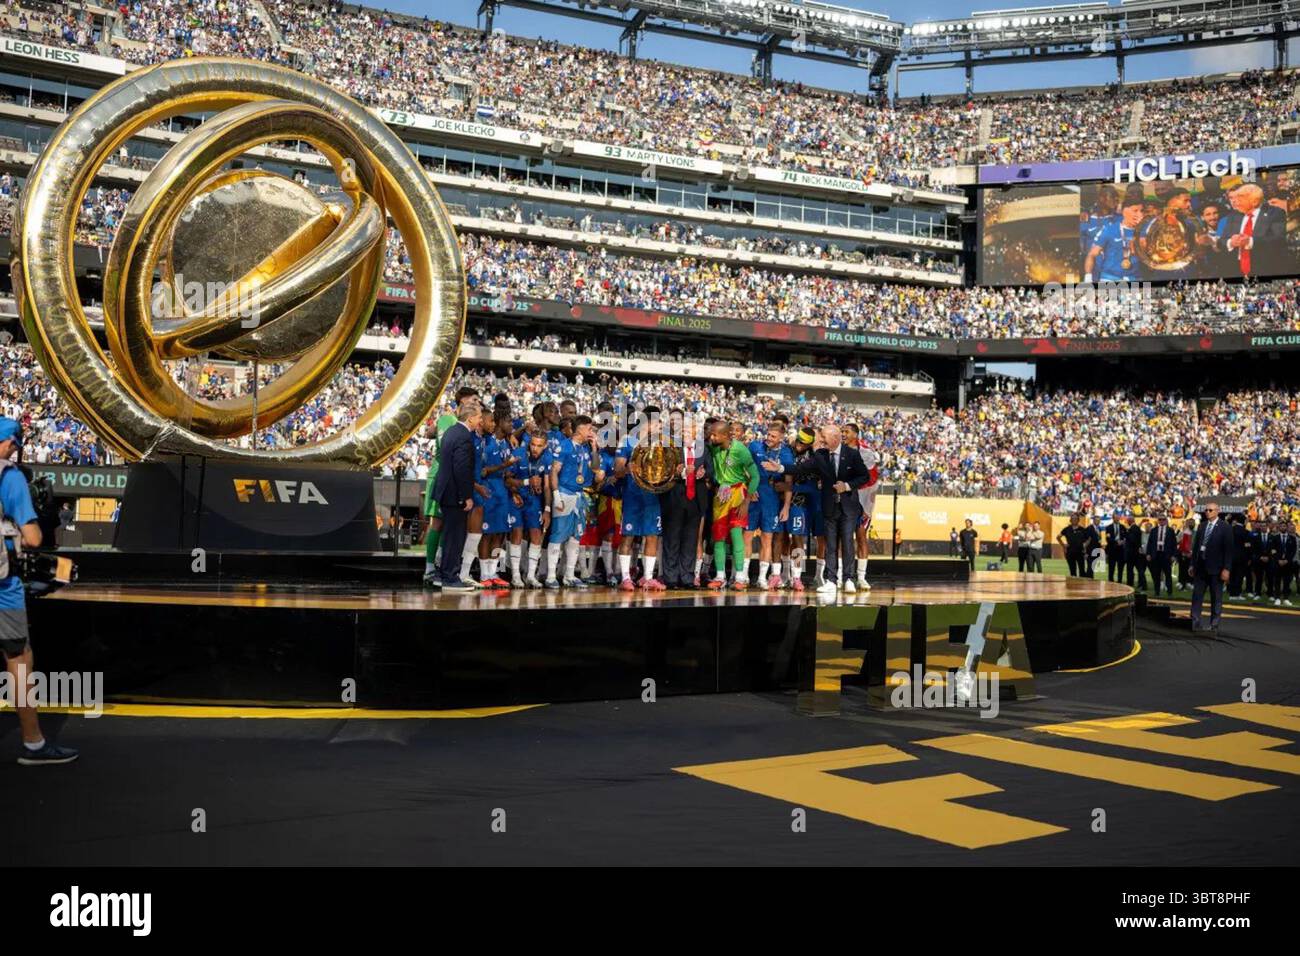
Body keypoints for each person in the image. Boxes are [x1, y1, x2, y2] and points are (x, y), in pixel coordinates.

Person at [0, 417, 78, 764]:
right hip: (3, 587)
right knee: (19, 659)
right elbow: (33, 539)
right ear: (10, 443)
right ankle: (34, 743)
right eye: (15, 443)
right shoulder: (10, 477)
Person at [706, 420, 760, 590]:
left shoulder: (741, 450)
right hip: (720, 497)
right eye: (711, 433)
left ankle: (739, 577)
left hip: (738, 495)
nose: (711, 437)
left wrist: (746, 501)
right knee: (719, 538)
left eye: (715, 434)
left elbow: (755, 476)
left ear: (725, 435)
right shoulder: (712, 447)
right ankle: (720, 576)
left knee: (737, 536)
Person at [434, 399, 481, 593]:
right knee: (455, 536)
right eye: (478, 417)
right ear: (470, 419)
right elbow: (461, 468)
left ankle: (444, 574)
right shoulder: (463, 436)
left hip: (446, 491)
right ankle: (450, 578)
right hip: (455, 494)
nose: (480, 421)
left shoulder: (452, 431)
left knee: (449, 535)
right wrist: (466, 496)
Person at [1190, 502, 1233, 631]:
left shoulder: (1225, 528)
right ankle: (1194, 620)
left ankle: (1214, 624)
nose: (1207, 512)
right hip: (1201, 567)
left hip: (1217, 568)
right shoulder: (1202, 526)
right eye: (1206, 510)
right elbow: (1196, 547)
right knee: (1197, 596)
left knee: (1216, 597)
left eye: (1210, 510)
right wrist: (1192, 564)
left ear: (1217, 511)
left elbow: (1229, 550)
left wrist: (1227, 569)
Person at [1145, 514, 1176, 597]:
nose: (1161, 521)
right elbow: (1150, 543)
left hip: (1166, 555)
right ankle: (1157, 592)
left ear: (1166, 520)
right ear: (1158, 520)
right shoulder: (1154, 530)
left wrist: (1173, 555)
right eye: (1160, 519)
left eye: (1163, 519)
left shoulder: (1170, 531)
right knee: (1156, 575)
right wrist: (1148, 554)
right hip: (1156, 555)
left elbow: (1174, 544)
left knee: (1168, 575)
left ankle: (1169, 592)